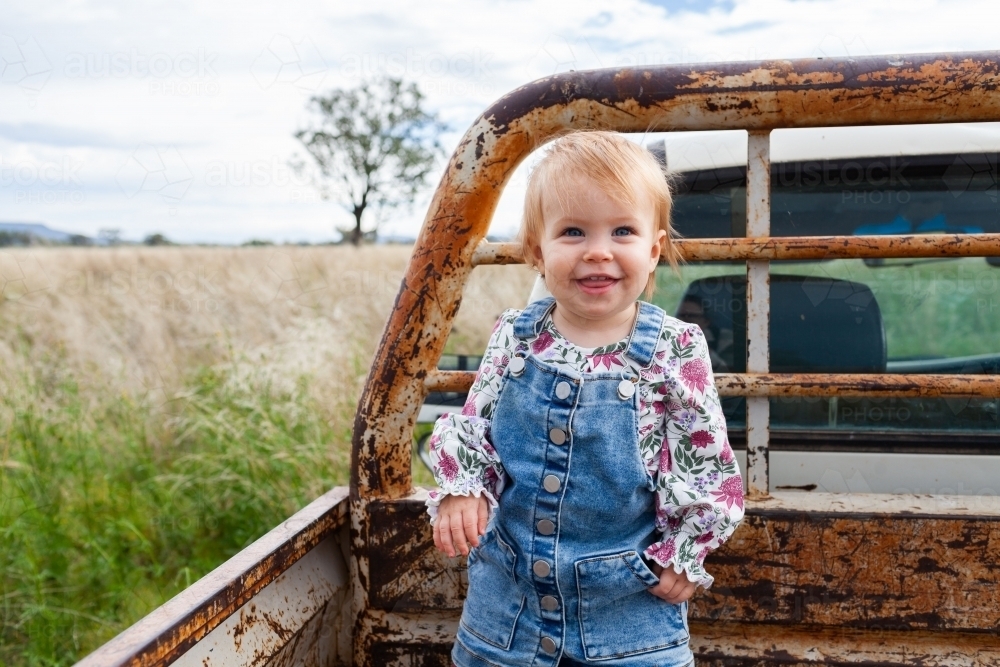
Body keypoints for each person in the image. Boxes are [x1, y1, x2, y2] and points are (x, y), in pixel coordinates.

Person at [424, 131, 744, 667]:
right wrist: (465, 487)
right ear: (537, 251)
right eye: (573, 231)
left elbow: (704, 461)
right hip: (507, 610)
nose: (599, 250)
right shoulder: (516, 336)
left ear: (653, 248)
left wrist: (688, 549)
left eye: (623, 230)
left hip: (629, 615)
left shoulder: (676, 348)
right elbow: (477, 426)